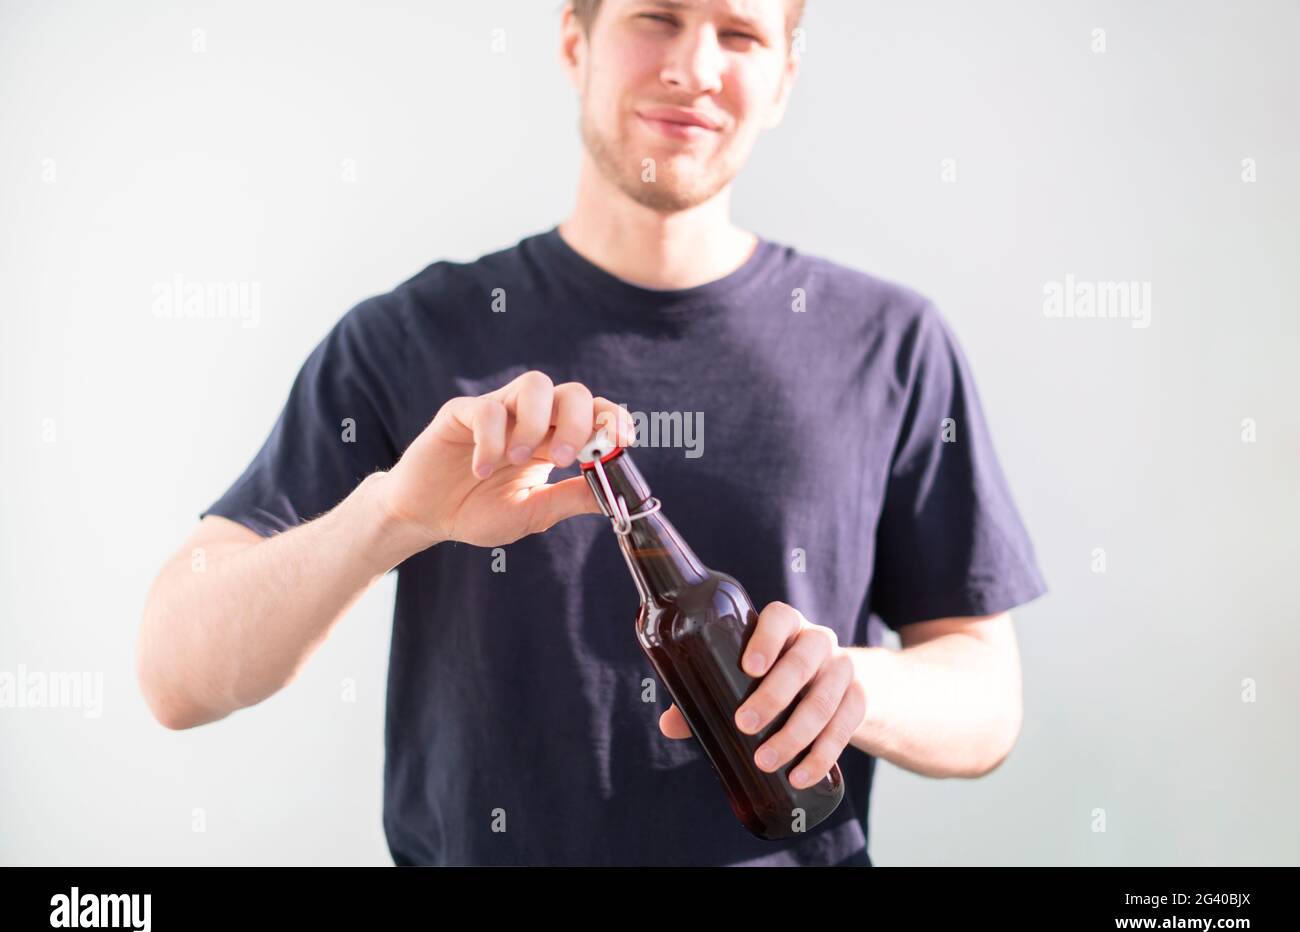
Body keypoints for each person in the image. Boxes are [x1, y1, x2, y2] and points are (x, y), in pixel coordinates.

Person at [137, 0, 1048, 866]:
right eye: (657, 16)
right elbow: (177, 670)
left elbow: (986, 697)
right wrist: (392, 517)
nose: (694, 68)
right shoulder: (409, 338)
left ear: (784, 79)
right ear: (575, 41)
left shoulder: (889, 345)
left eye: (739, 34)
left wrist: (851, 687)